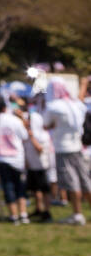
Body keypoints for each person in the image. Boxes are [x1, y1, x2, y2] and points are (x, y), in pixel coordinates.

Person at [44, 78, 89, 225]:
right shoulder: (75, 104)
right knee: (85, 181)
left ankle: (77, 214)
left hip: (63, 148)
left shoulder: (53, 107)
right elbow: (81, 102)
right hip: (77, 147)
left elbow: (46, 125)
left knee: (72, 183)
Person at [24, 108, 54, 222]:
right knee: (35, 189)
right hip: (32, 165)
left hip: (41, 166)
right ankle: (38, 209)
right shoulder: (30, 133)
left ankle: (46, 211)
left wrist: (31, 137)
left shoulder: (42, 135)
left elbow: (39, 149)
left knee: (44, 190)